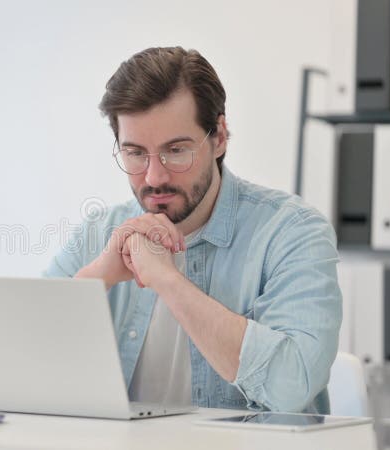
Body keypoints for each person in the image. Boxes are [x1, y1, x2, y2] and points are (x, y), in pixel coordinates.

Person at [44, 46, 341, 413]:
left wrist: (166, 280)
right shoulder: (100, 231)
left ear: (219, 137)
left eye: (176, 150)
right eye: (135, 153)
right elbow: (19, 362)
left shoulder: (293, 232)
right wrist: (96, 278)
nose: (154, 177)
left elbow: (290, 388)